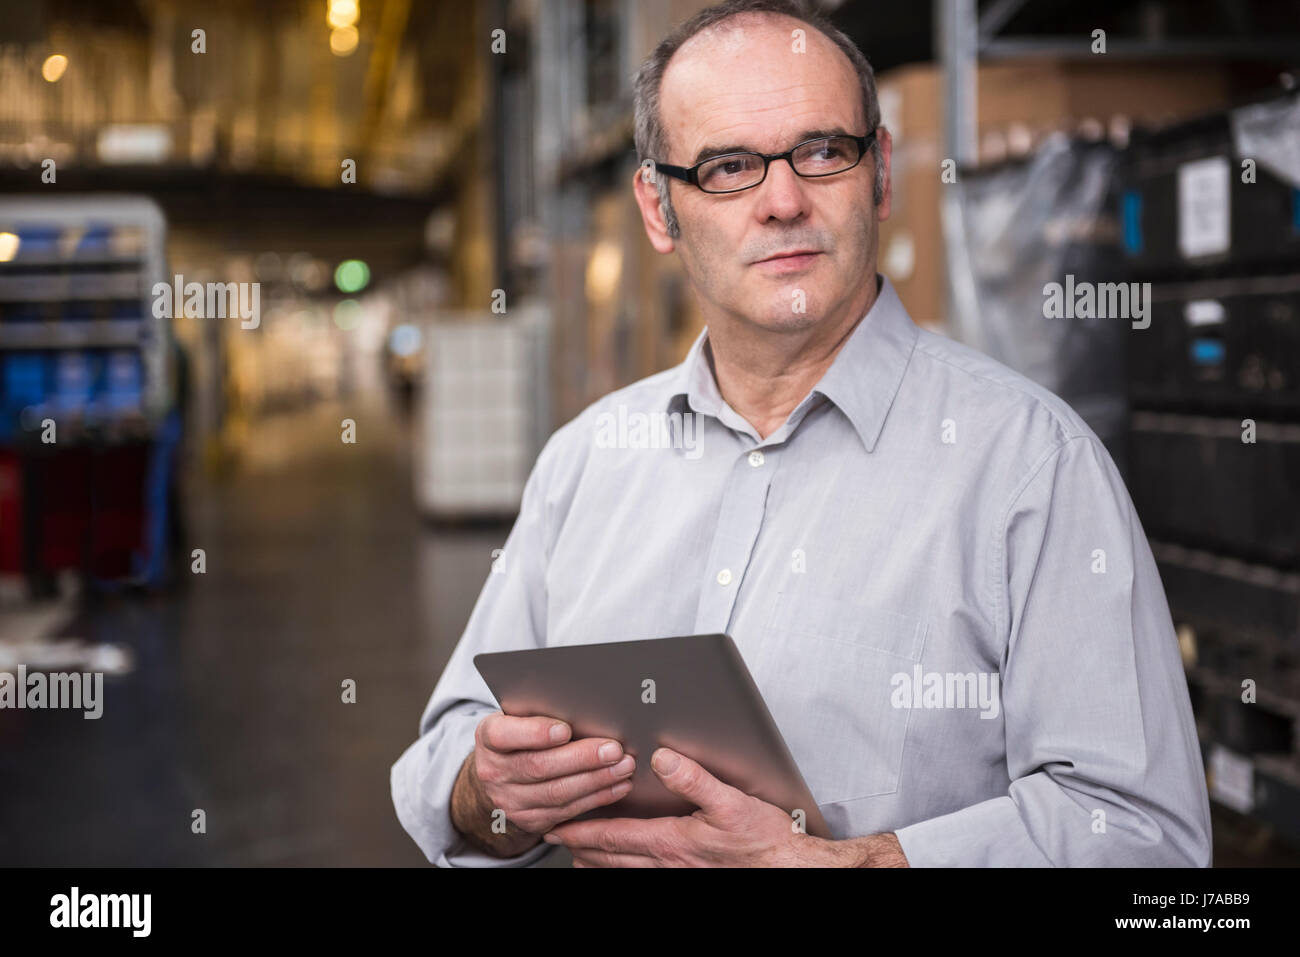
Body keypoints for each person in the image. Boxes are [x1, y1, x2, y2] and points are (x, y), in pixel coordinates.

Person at [391, 0, 1211, 867]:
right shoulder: (586, 463)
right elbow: (449, 753)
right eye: (729, 166)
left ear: (882, 174)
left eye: (823, 151)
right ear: (659, 211)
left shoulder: (1033, 469)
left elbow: (1146, 840)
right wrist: (489, 791)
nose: (784, 201)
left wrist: (861, 864)